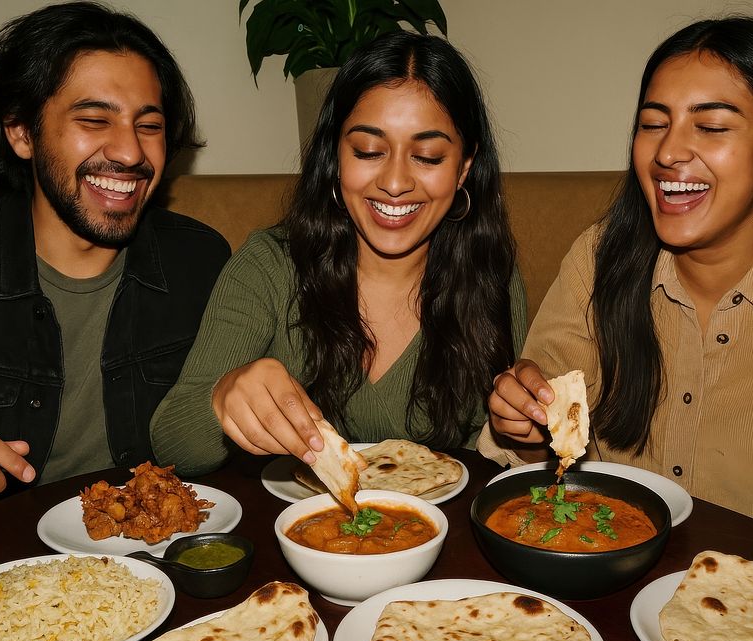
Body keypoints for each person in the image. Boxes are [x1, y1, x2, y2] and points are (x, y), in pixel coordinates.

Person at [481, 16, 753, 591]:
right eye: (653, 123)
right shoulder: (602, 255)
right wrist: (526, 413)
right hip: (604, 584)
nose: (670, 151)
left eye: (712, 126)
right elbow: (554, 369)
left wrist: (742, 617)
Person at [0, 2, 230, 538]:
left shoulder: (205, 264)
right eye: (94, 120)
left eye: (150, 125)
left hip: (160, 572)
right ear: (22, 132)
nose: (130, 151)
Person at [152, 32, 526, 474]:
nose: (394, 181)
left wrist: (530, 434)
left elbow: (498, 463)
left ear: (464, 167)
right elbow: (172, 443)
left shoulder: (492, 278)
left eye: (427, 156)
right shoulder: (270, 264)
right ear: (335, 154)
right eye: (369, 150)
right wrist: (223, 396)